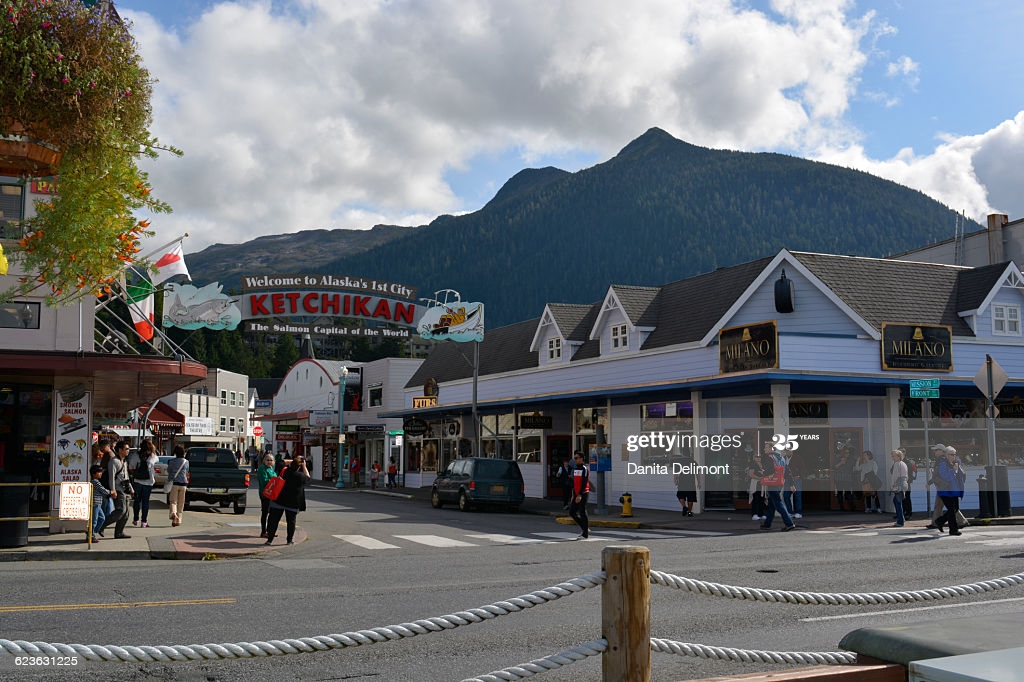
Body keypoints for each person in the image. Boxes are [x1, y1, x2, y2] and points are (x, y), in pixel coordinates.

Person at [265, 453, 311, 545]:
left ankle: (269, 540)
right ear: (299, 467)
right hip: (293, 502)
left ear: (291, 464)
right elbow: (308, 478)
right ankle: (289, 540)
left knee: (274, 520)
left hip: (279, 500)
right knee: (291, 522)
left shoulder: (285, 471)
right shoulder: (300, 476)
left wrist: (291, 461)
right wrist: (304, 466)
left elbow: (280, 462)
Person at [760, 441, 796, 532]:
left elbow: (770, 471)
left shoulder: (770, 457)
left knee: (778, 503)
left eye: (766, 447)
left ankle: (789, 523)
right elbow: (787, 471)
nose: (764, 449)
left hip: (772, 483)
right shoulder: (782, 458)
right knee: (772, 504)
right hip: (780, 482)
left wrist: (763, 472)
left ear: (771, 448)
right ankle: (767, 524)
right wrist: (792, 484)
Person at [101, 440, 133, 539]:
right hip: (118, 490)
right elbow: (111, 477)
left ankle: (119, 532)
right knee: (120, 511)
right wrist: (113, 490)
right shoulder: (114, 462)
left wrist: (131, 489)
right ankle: (101, 525)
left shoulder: (124, 461)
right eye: (126, 449)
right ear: (120, 450)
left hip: (125, 490)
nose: (128, 451)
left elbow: (126, 477)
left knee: (126, 514)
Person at [934, 446, 967, 536]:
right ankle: (953, 529)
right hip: (945, 490)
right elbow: (945, 477)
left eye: (954, 454)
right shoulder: (943, 464)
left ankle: (939, 521)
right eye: (951, 454)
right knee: (952, 510)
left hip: (954, 490)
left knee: (955, 509)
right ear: (946, 455)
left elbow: (960, 476)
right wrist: (954, 470)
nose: (953, 456)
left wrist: (959, 472)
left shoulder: (955, 463)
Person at [131, 439, 158, 528]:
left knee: (137, 501)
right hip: (148, 482)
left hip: (137, 481)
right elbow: (156, 463)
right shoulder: (153, 456)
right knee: (145, 502)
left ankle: (135, 519)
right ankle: (144, 522)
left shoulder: (136, 455)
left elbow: (131, 466)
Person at [166, 445, 189, 527]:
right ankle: (179, 520)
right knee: (181, 503)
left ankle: (173, 514)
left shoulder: (172, 462)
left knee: (173, 501)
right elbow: (186, 471)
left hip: (175, 483)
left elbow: (169, 471)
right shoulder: (186, 462)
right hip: (184, 484)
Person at [569, 450, 590, 539]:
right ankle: (584, 527)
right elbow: (575, 483)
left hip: (583, 493)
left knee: (582, 512)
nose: (575, 460)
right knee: (572, 512)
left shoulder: (584, 469)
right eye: (574, 458)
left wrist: (580, 495)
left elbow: (584, 483)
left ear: (581, 459)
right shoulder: (575, 469)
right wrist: (573, 494)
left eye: (577, 458)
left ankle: (585, 534)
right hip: (576, 493)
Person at [88, 464, 111, 541]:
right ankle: (91, 535)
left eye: (101, 472)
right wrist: (111, 492)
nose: (101, 473)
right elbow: (103, 491)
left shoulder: (97, 481)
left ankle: (92, 532)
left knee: (102, 518)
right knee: (94, 520)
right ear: (94, 474)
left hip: (98, 503)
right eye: (99, 472)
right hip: (95, 503)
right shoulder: (95, 482)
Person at [257, 453, 277, 538]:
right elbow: (264, 481)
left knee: (272, 513)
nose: (269, 462)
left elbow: (275, 477)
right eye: (267, 460)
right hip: (265, 494)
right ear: (264, 460)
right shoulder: (262, 468)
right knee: (265, 512)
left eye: (271, 460)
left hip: (272, 493)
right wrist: (274, 481)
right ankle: (263, 531)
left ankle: (270, 531)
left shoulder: (271, 468)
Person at [674, 451, 699, 517]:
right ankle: (689, 513)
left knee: (680, 495)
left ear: (683, 455)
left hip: (682, 482)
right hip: (691, 482)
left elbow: (676, 473)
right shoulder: (694, 462)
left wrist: (675, 480)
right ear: (690, 455)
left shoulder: (680, 462)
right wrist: (699, 482)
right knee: (691, 498)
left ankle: (684, 507)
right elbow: (697, 473)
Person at [889, 449, 909, 527]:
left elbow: (895, 476)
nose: (892, 458)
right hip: (903, 484)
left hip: (898, 485)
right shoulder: (903, 464)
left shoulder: (897, 464)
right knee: (898, 501)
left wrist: (892, 485)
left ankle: (900, 520)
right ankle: (901, 518)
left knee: (897, 502)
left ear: (898, 456)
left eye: (894, 456)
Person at [783, 449, 804, 519]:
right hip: (787, 480)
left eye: (790, 450)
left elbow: (803, 468)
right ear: (785, 451)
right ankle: (790, 512)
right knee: (786, 496)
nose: (789, 452)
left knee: (797, 496)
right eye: (787, 450)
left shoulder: (798, 457)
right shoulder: (783, 458)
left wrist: (800, 475)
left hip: (796, 479)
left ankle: (799, 512)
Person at [833, 447, 856, 511]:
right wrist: (841, 463)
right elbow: (834, 467)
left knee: (848, 492)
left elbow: (854, 469)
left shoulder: (851, 460)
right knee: (840, 493)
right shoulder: (838, 459)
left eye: (848, 453)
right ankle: (841, 507)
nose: (847, 454)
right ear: (843, 453)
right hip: (839, 478)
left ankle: (852, 507)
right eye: (846, 453)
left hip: (847, 479)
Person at [746, 451, 766, 521]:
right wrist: (759, 478)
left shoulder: (763, 464)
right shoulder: (753, 465)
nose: (758, 458)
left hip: (763, 484)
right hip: (756, 483)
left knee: (762, 498)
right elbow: (751, 474)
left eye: (759, 457)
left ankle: (761, 513)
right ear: (754, 458)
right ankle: (755, 514)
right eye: (757, 457)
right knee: (756, 499)